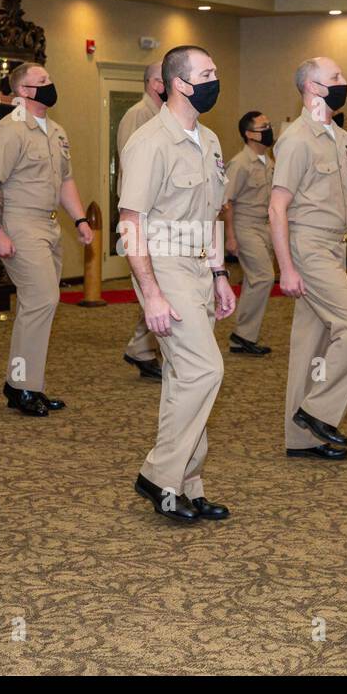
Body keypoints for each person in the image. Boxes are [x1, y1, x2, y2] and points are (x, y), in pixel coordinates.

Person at [119, 45, 235, 523]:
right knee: (207, 370)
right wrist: (152, 294)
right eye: (206, 73)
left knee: (183, 380)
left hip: (198, 267)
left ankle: (185, 484)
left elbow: (212, 214)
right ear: (180, 83)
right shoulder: (149, 142)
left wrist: (221, 273)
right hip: (163, 261)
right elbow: (131, 223)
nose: (214, 80)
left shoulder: (207, 139)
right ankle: (158, 474)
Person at [270, 57, 347, 461]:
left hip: (336, 247)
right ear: (312, 87)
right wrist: (285, 268)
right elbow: (276, 208)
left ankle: (301, 438)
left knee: (312, 343)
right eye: (335, 78)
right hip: (308, 247)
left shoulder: (341, 139)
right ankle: (319, 411)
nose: (345, 82)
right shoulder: (296, 138)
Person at [0, 64, 93, 417]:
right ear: (23, 91)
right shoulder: (8, 131)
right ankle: (21, 385)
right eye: (41, 81)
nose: (50, 84)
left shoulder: (56, 131)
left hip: (49, 225)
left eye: (50, 78)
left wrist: (79, 219)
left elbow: (66, 181)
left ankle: (26, 384)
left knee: (40, 304)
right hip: (19, 223)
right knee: (42, 298)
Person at [118, 63, 167, 380]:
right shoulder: (139, 114)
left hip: (161, 214)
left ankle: (140, 347)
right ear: (154, 83)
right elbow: (130, 164)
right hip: (143, 215)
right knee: (154, 283)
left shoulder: (166, 116)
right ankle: (144, 348)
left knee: (158, 286)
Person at [222, 110, 276, 356]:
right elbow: (227, 202)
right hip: (245, 225)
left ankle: (243, 336)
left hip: (264, 226)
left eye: (269, 125)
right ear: (249, 134)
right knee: (263, 277)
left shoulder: (269, 161)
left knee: (258, 279)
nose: (268, 130)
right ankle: (243, 334)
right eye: (263, 126)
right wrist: (230, 236)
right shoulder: (240, 163)